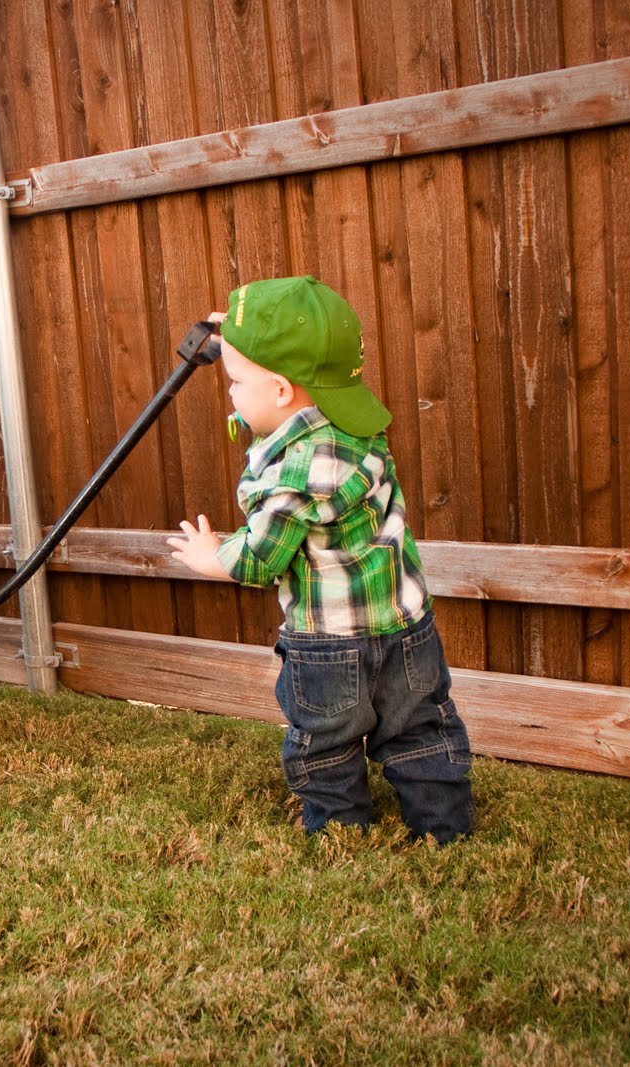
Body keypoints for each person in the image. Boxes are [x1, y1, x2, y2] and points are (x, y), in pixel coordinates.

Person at [167, 276, 473, 843]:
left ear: (282, 390)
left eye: (235, 381)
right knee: (422, 730)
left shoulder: (293, 475)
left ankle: (340, 834)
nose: (231, 393)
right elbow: (313, 346)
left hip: (329, 645)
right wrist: (242, 333)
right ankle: (443, 830)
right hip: (408, 629)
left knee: (326, 744)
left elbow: (261, 560)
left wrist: (212, 556)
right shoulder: (360, 431)